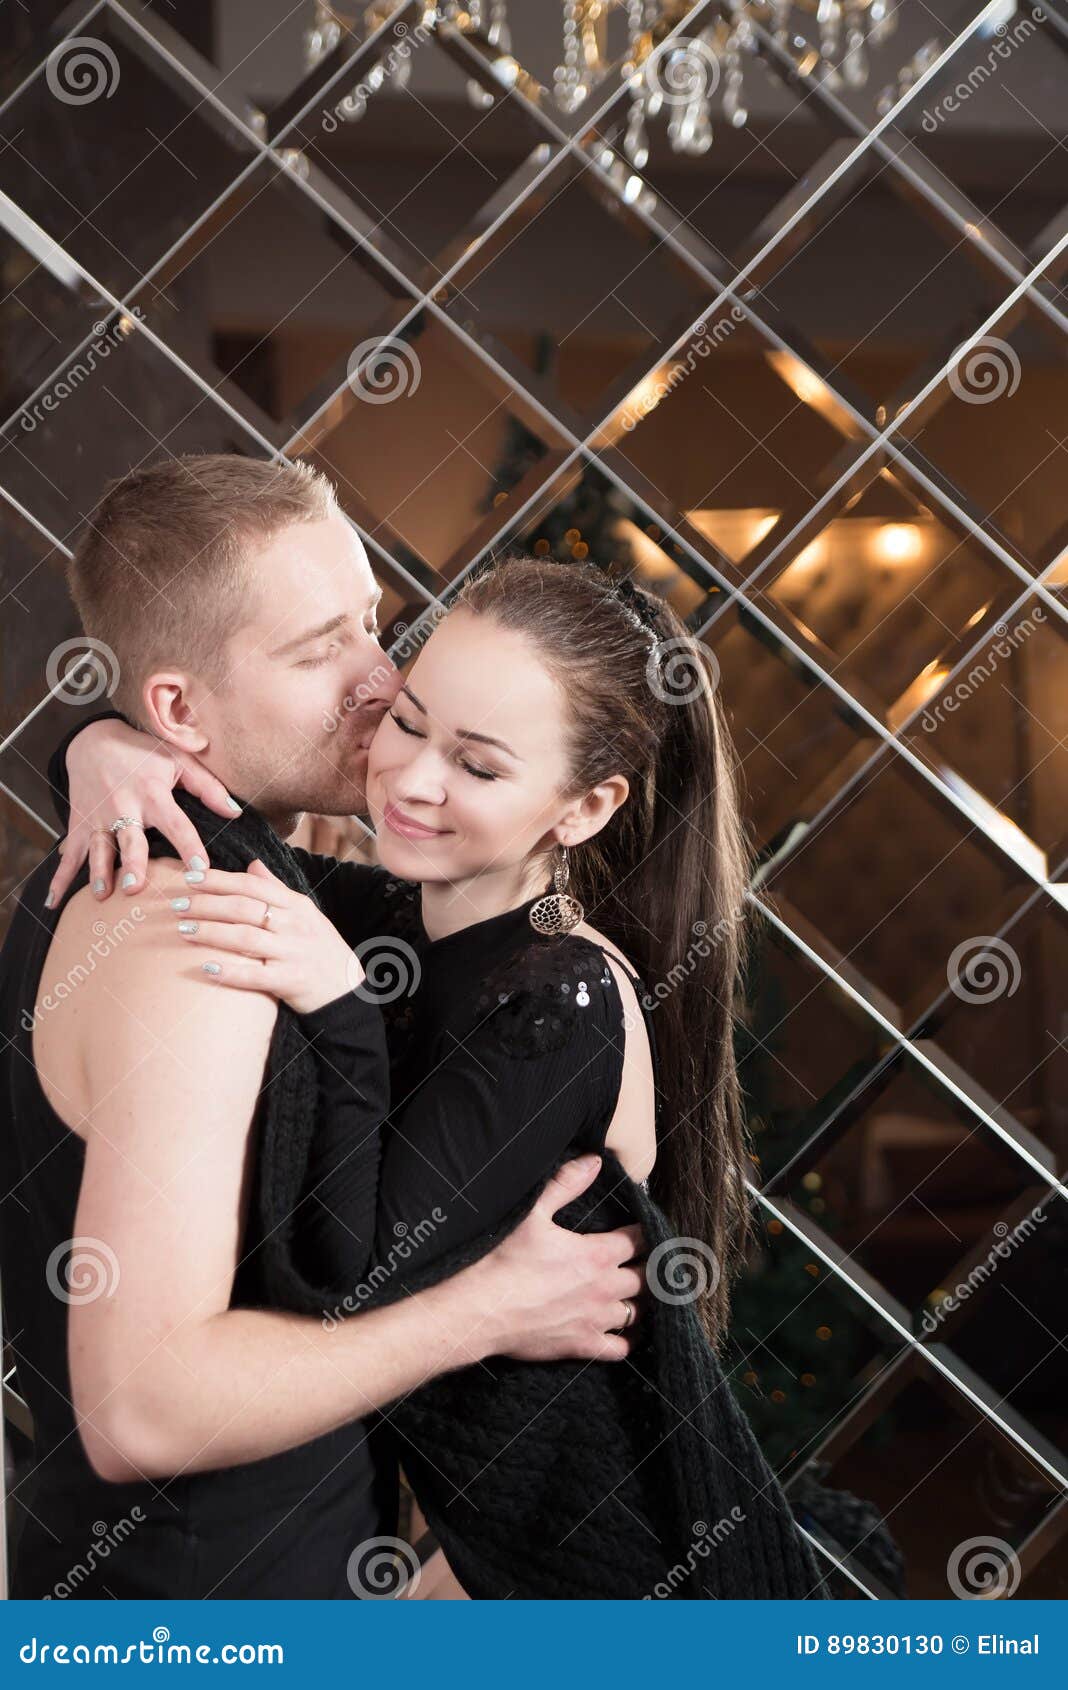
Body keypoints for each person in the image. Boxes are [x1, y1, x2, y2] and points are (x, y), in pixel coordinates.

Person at [43, 533, 835, 1599]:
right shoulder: (397, 913)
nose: (412, 779)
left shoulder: (560, 999)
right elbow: (212, 830)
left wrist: (338, 1005)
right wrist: (97, 745)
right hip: (474, 1576)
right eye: (408, 720)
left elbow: (350, 1274)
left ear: (586, 806)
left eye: (477, 763)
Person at [0, 456, 646, 1601]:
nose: (380, 680)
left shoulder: (270, 884)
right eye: (317, 652)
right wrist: (487, 1308)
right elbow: (139, 1411)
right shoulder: (199, 938)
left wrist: (94, 747)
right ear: (177, 711)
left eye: (370, 624)